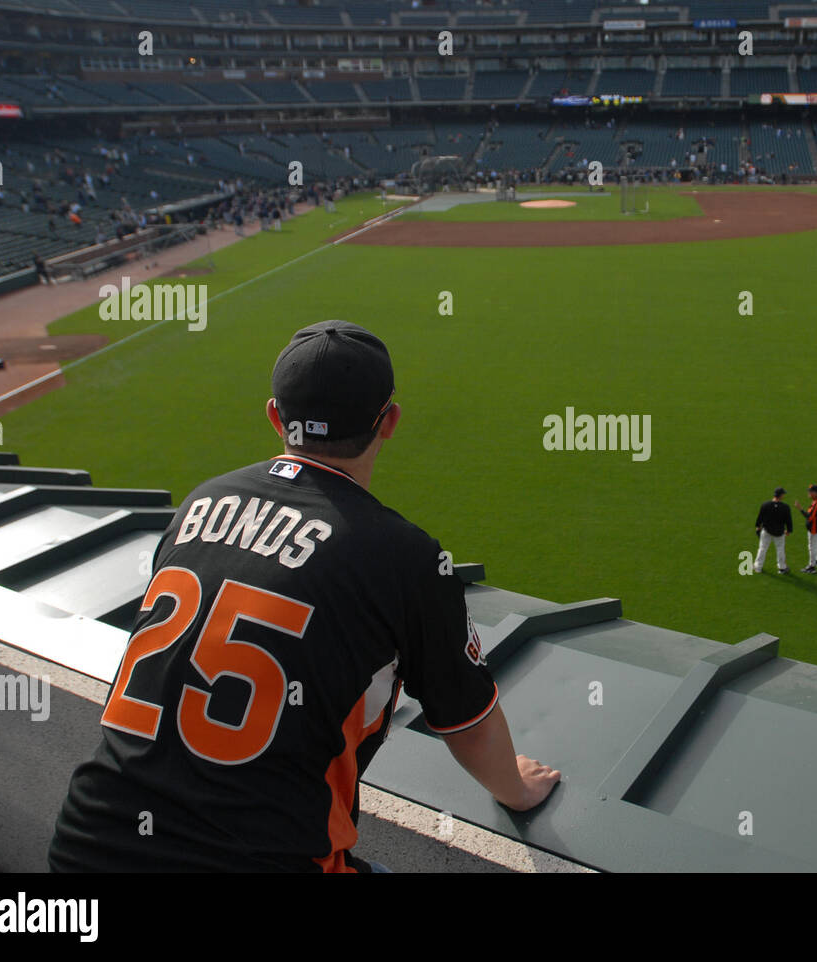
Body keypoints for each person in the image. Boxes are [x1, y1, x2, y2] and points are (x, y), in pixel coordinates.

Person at [49, 321, 560, 872]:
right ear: (389, 421)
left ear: (275, 417)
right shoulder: (404, 556)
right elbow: (468, 723)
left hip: (81, 851)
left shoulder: (199, 503)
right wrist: (519, 791)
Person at [753, 487, 793, 574]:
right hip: (779, 532)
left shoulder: (765, 505)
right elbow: (788, 520)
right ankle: (782, 568)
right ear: (781, 495)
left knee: (762, 548)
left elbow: (760, 517)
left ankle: (758, 567)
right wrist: (789, 530)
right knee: (780, 549)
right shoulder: (785, 507)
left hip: (766, 531)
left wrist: (758, 526)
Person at [797, 484, 817, 573]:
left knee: (811, 546)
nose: (809, 493)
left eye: (810, 492)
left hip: (814, 528)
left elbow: (809, 517)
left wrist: (800, 509)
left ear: (815, 493)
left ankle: (812, 566)